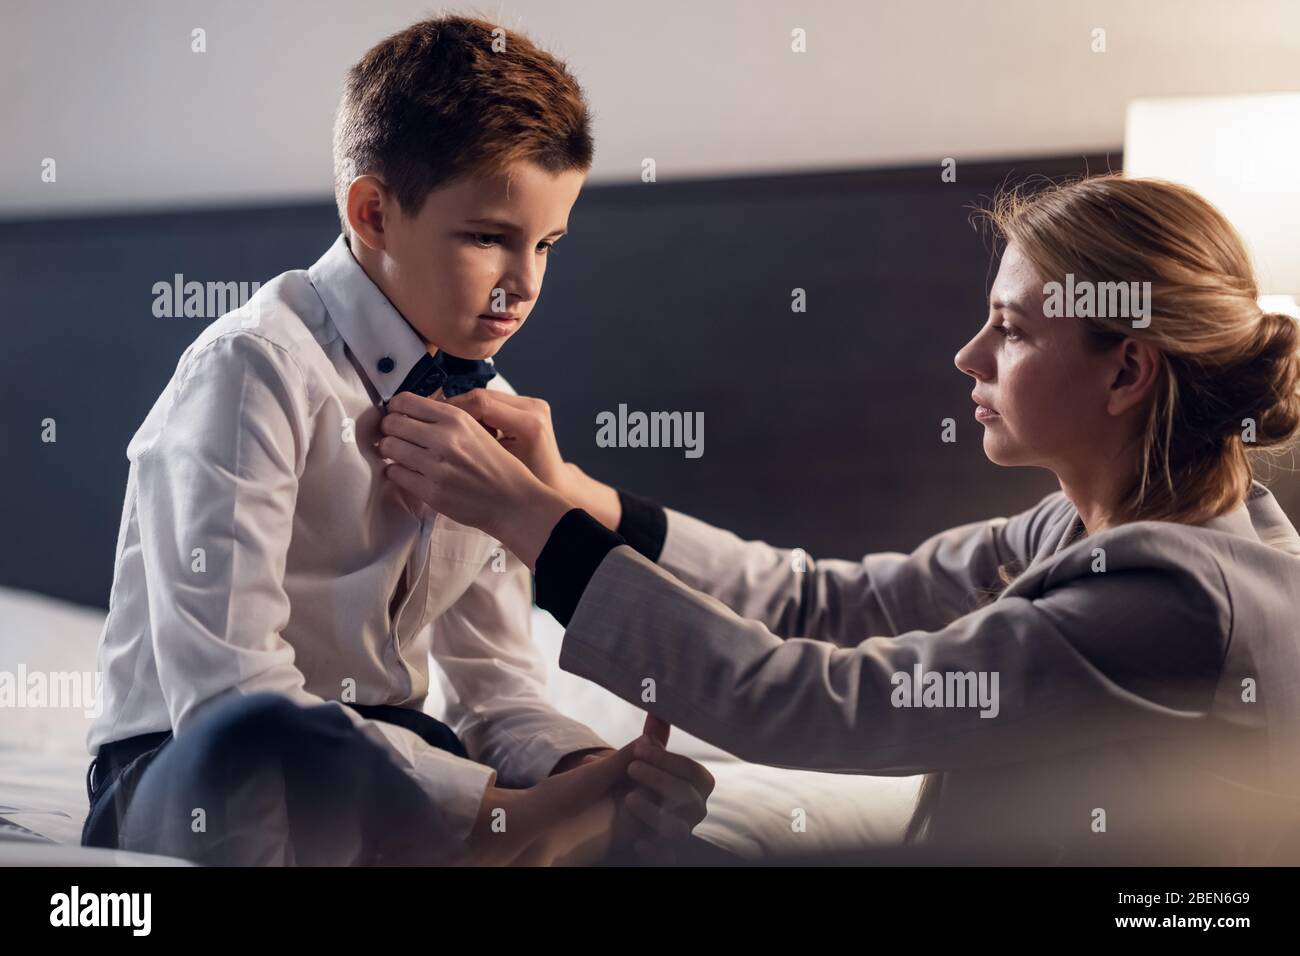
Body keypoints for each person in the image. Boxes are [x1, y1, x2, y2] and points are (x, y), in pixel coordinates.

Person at [375, 174, 1300, 864]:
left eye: (1012, 330)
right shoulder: (1097, 527)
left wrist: (531, 523)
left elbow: (812, 701)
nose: (968, 353)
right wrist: (579, 498)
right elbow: (825, 603)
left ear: (1127, 371)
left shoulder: (1173, 597)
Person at [82, 14, 712, 867]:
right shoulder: (254, 367)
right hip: (186, 767)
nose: (523, 284)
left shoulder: (497, 411)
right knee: (274, 735)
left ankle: (520, 820)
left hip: (399, 746)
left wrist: (592, 766)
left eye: (548, 244)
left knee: (467, 753)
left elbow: (497, 691)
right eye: (489, 238)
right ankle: (509, 828)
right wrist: (503, 804)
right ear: (373, 213)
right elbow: (226, 689)